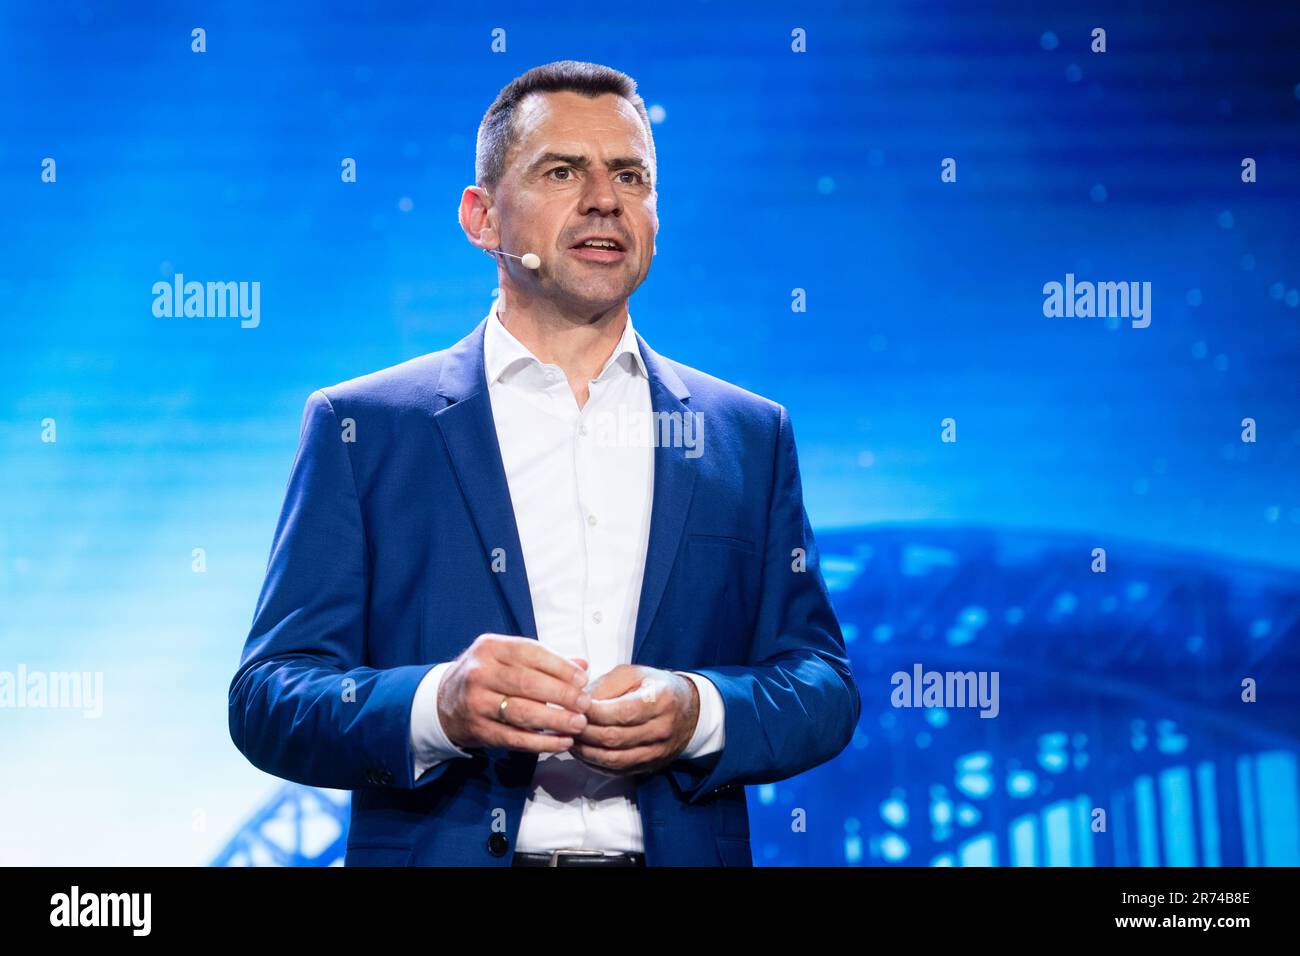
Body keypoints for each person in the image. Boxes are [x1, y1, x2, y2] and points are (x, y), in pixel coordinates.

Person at [228, 59, 860, 867]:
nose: (605, 198)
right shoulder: (366, 428)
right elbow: (269, 697)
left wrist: (700, 710)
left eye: (630, 175)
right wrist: (437, 705)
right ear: (482, 218)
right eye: (563, 171)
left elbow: (822, 688)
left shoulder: (748, 434)